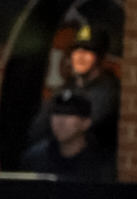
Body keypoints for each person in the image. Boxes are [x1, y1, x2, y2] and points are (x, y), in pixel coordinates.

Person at [32, 22, 120, 156]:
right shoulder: (65, 88)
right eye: (76, 50)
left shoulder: (109, 91)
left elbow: (81, 128)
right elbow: (38, 128)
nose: (80, 56)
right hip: (57, 156)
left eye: (87, 51)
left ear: (100, 58)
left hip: (92, 159)